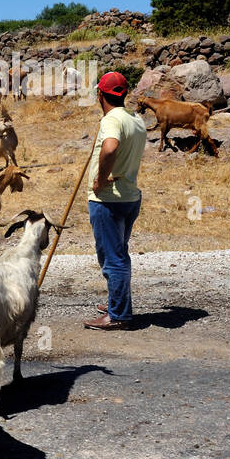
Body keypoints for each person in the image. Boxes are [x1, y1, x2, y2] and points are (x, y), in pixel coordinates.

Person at [84, 71, 145, 330]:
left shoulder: (111, 120)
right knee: (118, 254)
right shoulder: (136, 119)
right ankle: (117, 303)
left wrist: (100, 178)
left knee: (113, 258)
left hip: (108, 199)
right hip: (129, 197)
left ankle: (118, 315)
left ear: (100, 94)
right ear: (125, 94)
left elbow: (109, 148)